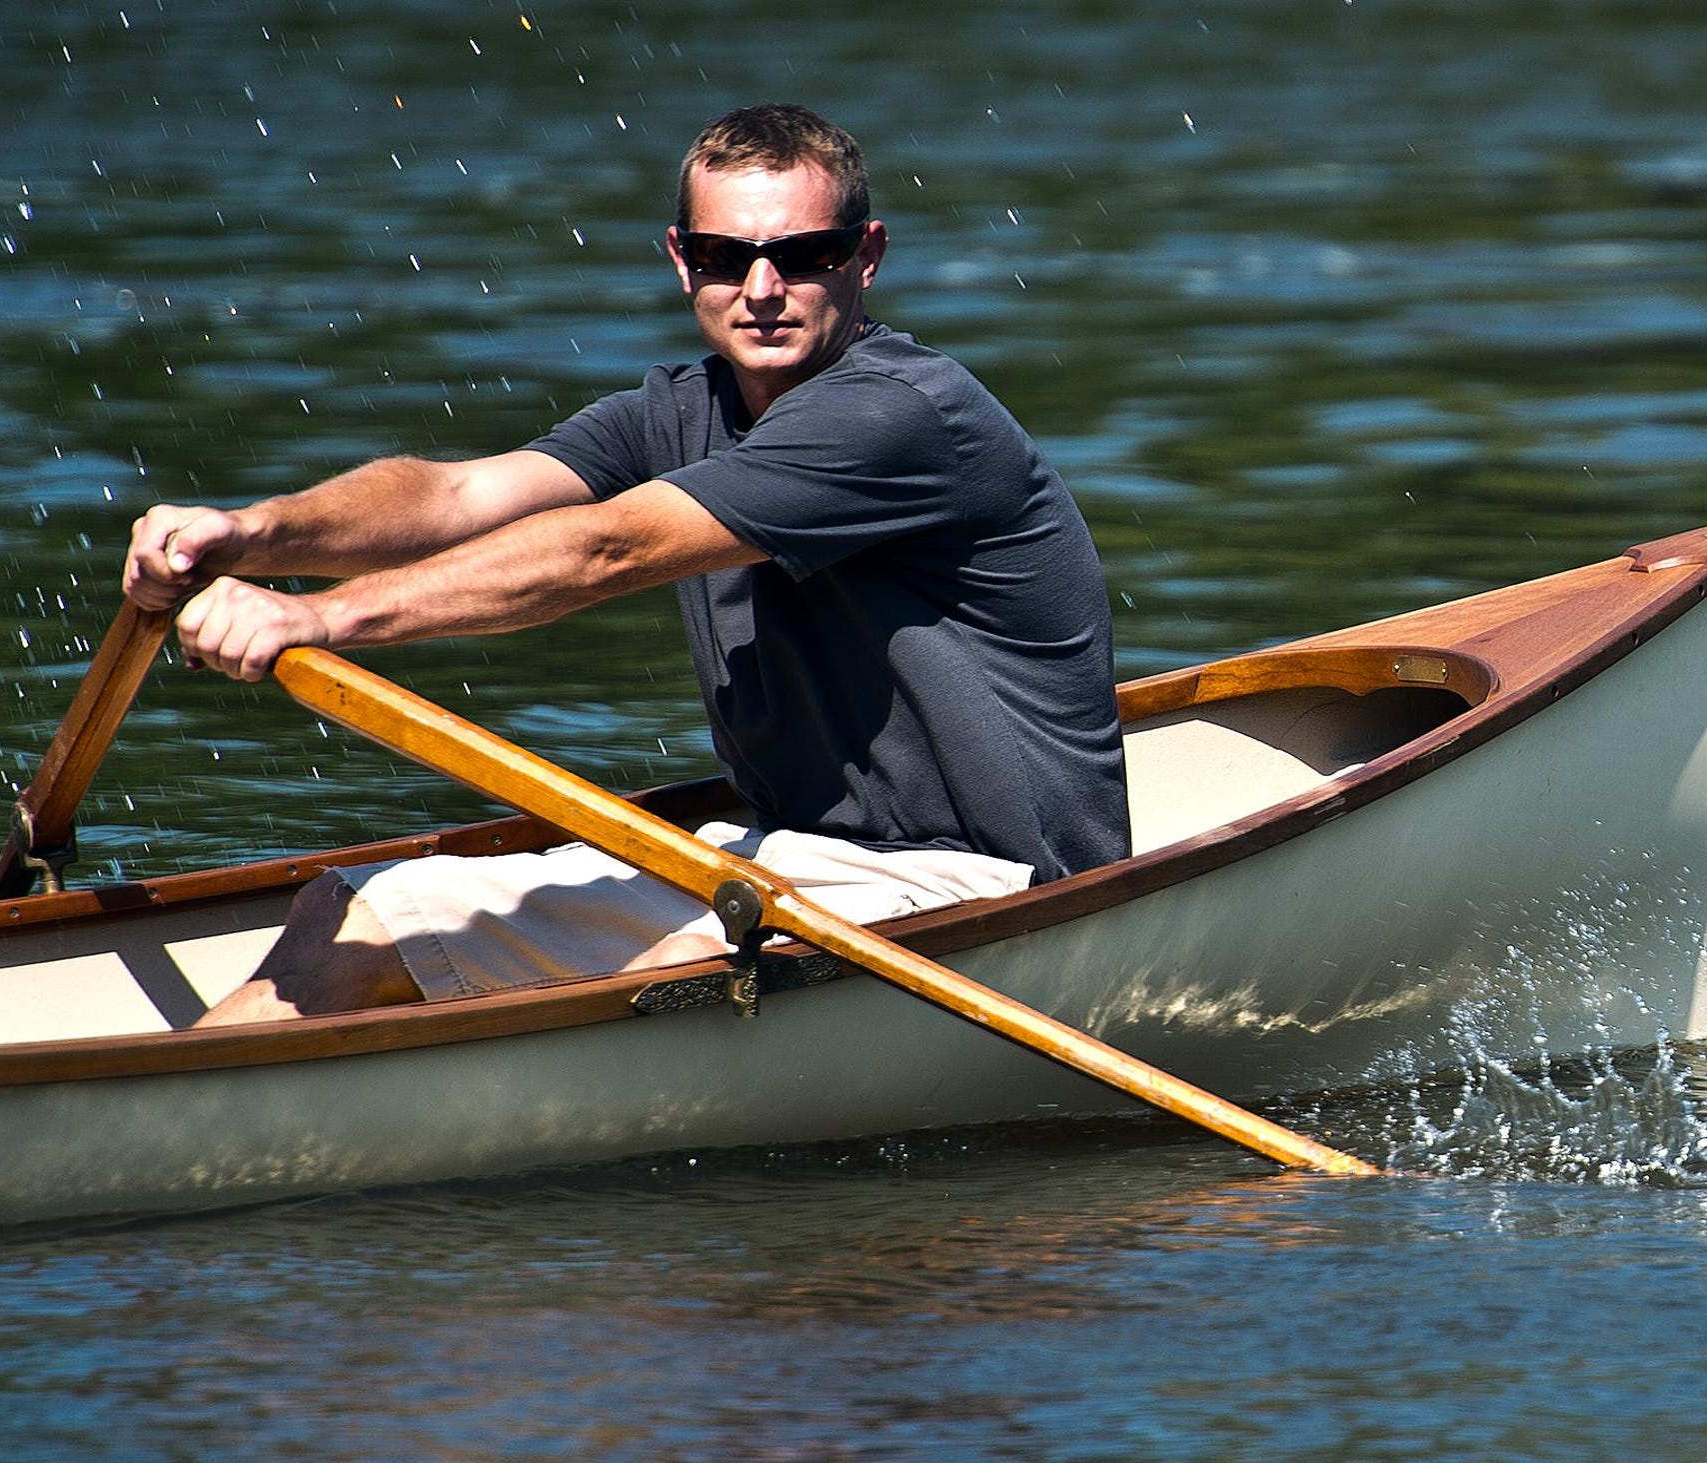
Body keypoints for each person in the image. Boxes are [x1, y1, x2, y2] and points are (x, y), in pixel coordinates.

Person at [120, 104, 1128, 1026]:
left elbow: (609, 548)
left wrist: (322, 621)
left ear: (864, 258)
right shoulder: (676, 411)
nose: (762, 290)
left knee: (676, 980)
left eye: (803, 255)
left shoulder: (898, 414)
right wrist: (249, 532)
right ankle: (151, 1157)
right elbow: (456, 496)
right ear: (681, 260)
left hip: (987, 883)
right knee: (361, 912)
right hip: (779, 855)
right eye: (728, 257)